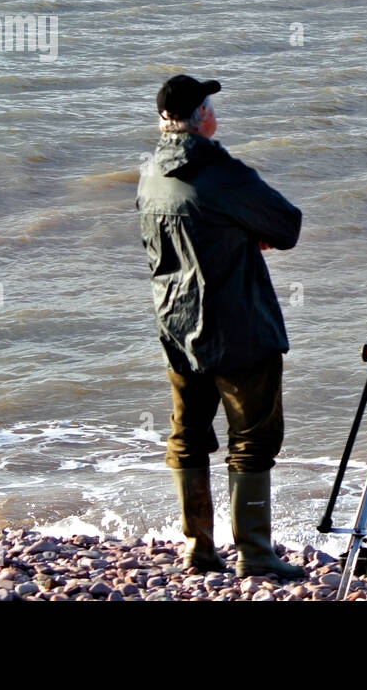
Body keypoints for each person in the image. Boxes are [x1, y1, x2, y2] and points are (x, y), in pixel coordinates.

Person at [136, 74, 305, 579]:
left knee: (187, 434)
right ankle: (254, 553)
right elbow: (287, 225)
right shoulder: (221, 172)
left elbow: (172, 243)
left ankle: (198, 549)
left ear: (162, 121)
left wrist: (233, 234)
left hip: (175, 323)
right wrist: (248, 235)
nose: (215, 114)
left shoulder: (149, 174)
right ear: (204, 116)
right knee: (252, 437)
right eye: (211, 106)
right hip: (238, 328)